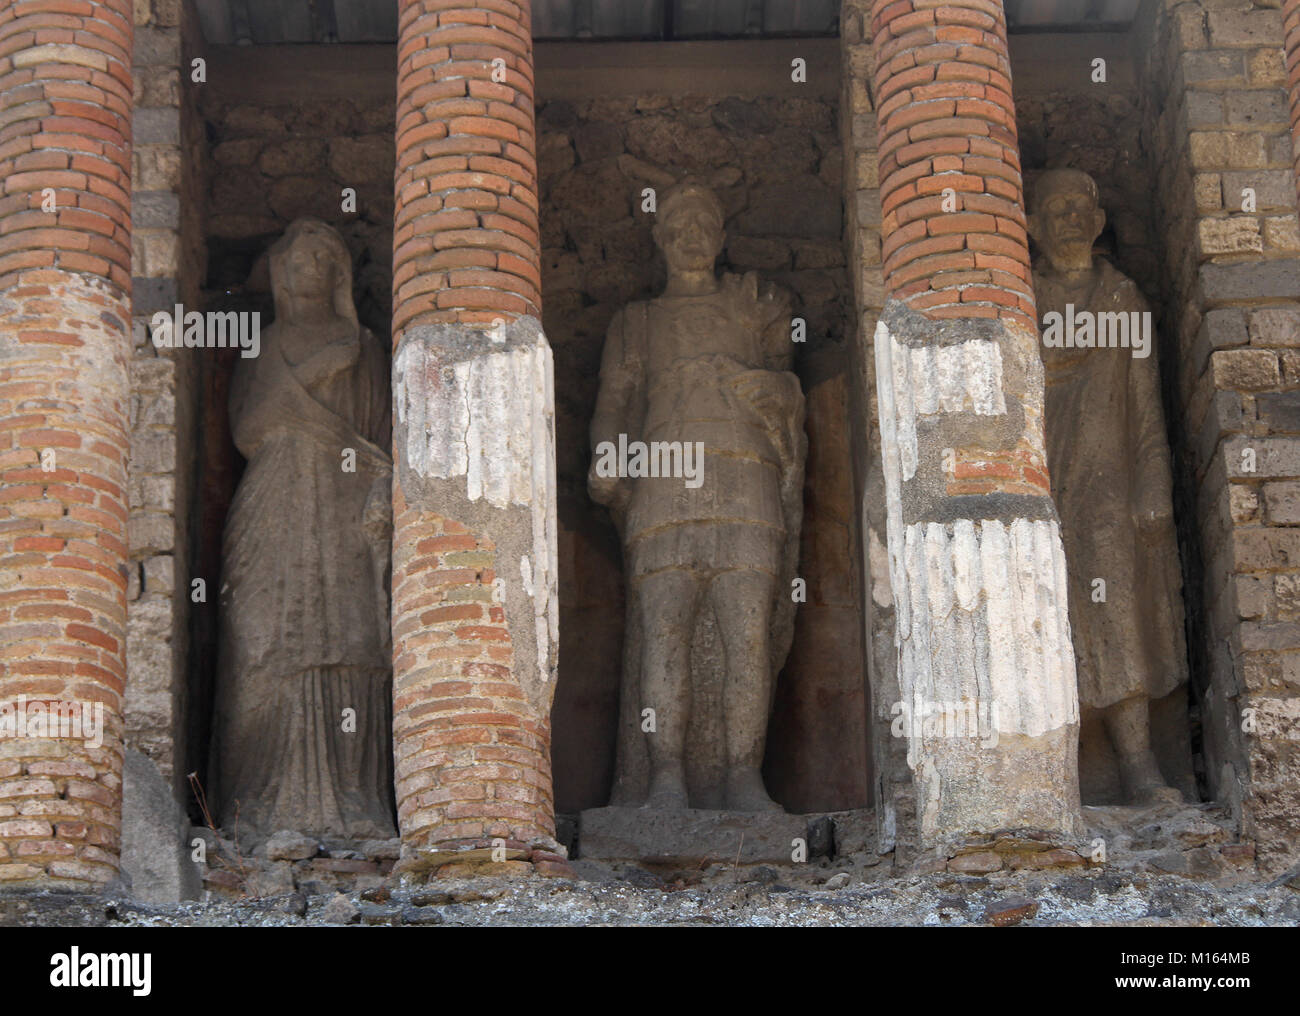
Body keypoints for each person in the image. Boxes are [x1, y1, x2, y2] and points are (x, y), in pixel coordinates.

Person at [215, 218, 396, 842]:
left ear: (340, 272)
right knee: (264, 640)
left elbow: (382, 437)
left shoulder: (366, 346)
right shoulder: (263, 345)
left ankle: (354, 800)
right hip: (277, 498)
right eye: (298, 258)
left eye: (324, 257)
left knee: (349, 637)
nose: (309, 268)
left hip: (346, 495)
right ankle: (257, 806)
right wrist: (320, 368)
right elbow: (250, 427)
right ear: (280, 271)